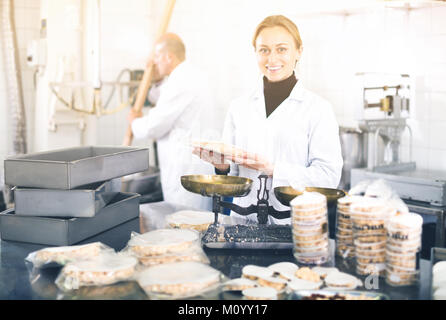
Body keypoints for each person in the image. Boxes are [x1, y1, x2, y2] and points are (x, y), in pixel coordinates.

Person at [194, 15, 343, 224]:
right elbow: (234, 177)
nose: (271, 59)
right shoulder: (239, 108)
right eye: (264, 50)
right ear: (255, 53)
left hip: (296, 227)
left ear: (298, 52)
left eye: (282, 49)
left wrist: (274, 169)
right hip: (243, 224)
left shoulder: (318, 109)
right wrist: (222, 167)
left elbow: (328, 177)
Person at [128, 33, 214, 211]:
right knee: (193, 223)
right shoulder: (189, 75)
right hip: (191, 166)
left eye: (158, 57)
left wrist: (134, 122)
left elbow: (154, 126)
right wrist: (157, 80)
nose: (155, 63)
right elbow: (166, 100)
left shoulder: (182, 80)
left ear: (169, 57)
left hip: (185, 170)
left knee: (186, 224)